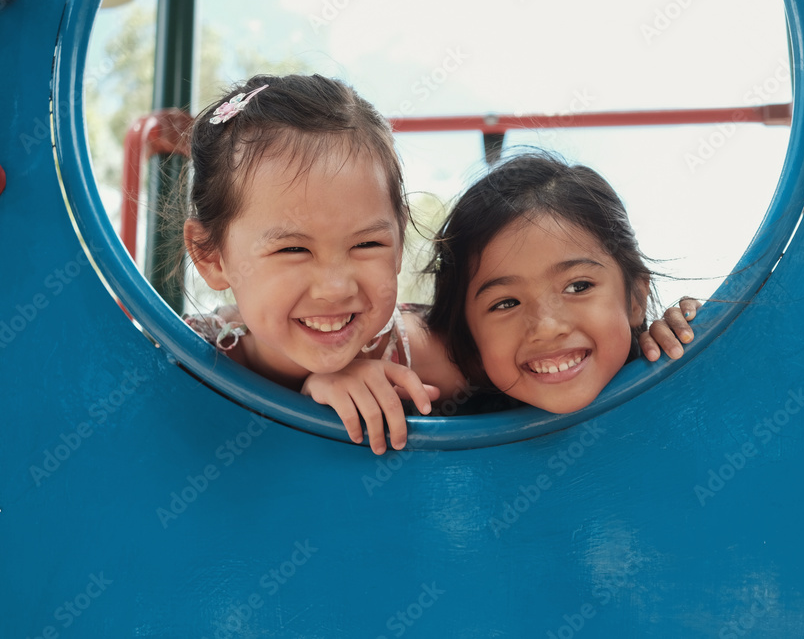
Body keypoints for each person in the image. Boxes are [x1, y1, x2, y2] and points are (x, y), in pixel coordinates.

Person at [182, 74, 462, 455]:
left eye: (367, 244)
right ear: (210, 256)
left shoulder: (435, 354)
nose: (335, 288)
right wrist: (307, 394)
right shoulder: (188, 363)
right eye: (292, 250)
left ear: (398, 244)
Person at [426, 152, 699, 414]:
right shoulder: (436, 413)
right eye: (506, 303)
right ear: (471, 340)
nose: (547, 327)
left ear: (635, 299)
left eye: (578, 287)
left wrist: (694, 334)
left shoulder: (678, 380)